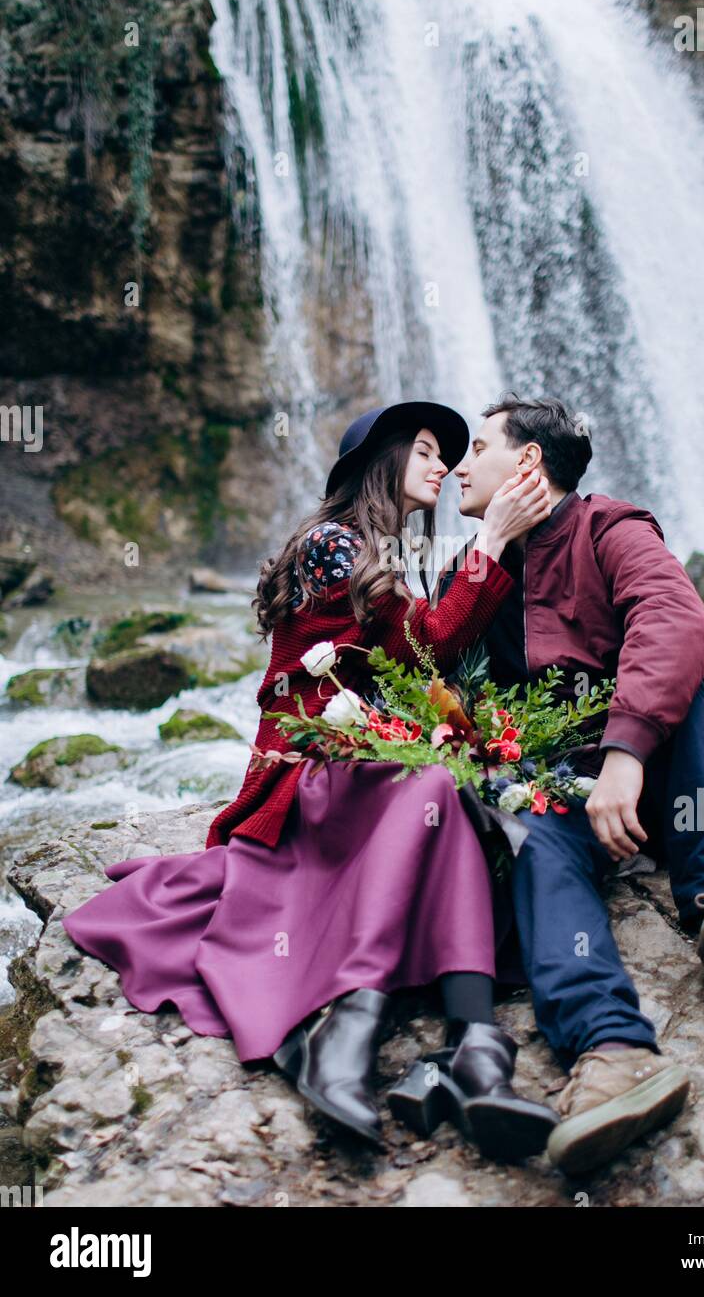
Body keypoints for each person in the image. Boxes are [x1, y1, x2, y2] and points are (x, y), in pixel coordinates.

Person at [61, 400, 560, 1162]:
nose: (443, 467)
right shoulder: (335, 545)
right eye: (425, 450)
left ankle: (473, 1050)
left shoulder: (379, 556)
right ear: (379, 462)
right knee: (433, 789)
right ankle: (357, 1030)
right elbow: (425, 649)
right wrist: (492, 538)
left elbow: (418, 665)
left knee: (449, 796)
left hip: (362, 765)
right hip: (311, 769)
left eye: (448, 455)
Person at [425, 392, 704, 1177]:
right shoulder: (479, 565)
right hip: (564, 786)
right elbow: (433, 675)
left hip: (662, 774)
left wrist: (626, 750)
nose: (459, 466)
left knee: (684, 685)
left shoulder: (609, 527)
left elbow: (675, 620)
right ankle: (615, 1047)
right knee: (531, 836)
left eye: (479, 448)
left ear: (528, 460)